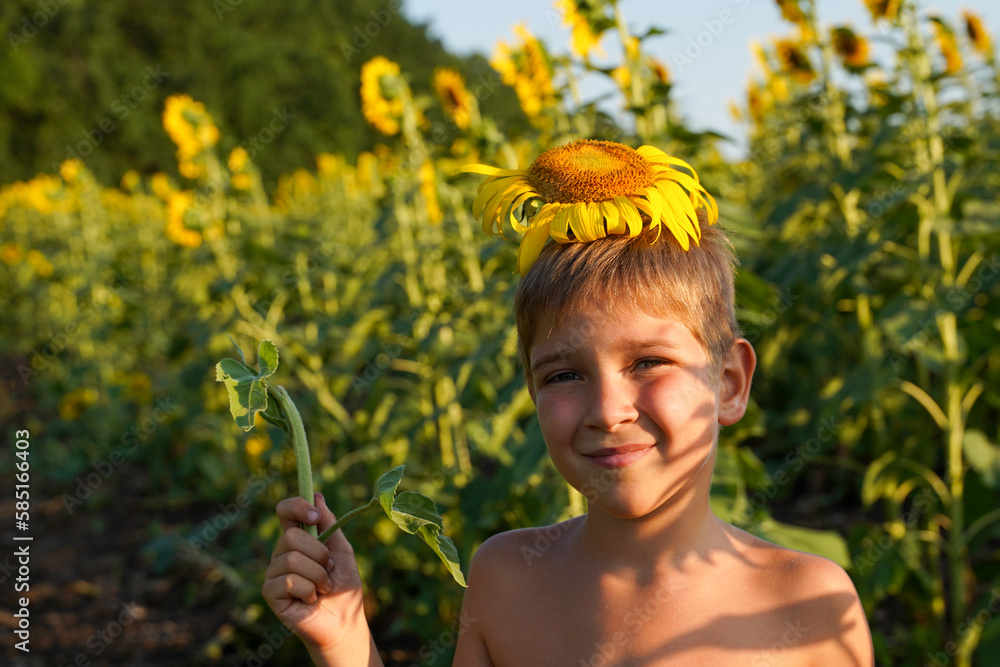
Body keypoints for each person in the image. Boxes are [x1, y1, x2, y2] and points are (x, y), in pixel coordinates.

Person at [263, 140, 875, 665]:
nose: (608, 411)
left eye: (648, 362)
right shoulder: (506, 578)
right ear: (530, 389)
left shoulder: (808, 607)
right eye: (563, 376)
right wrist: (344, 641)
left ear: (731, 383)